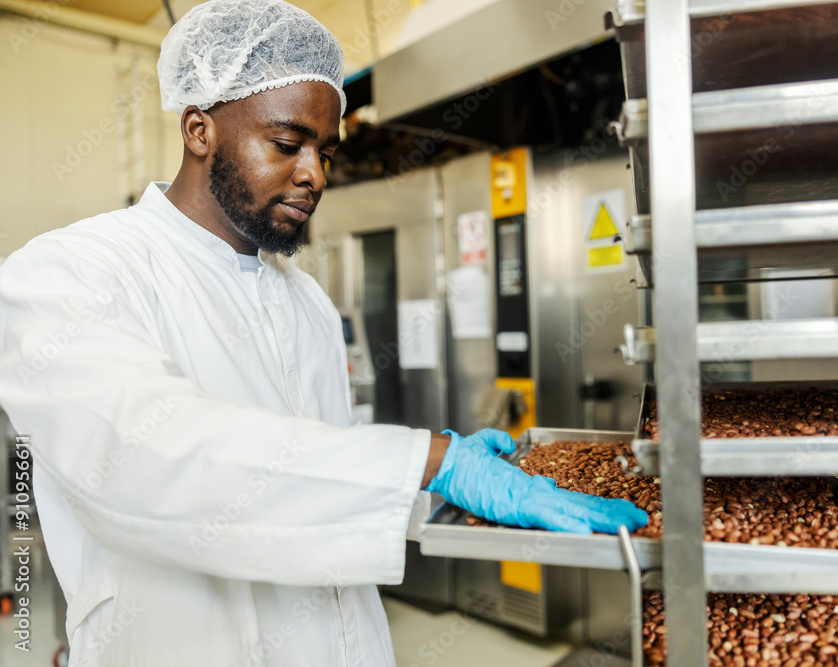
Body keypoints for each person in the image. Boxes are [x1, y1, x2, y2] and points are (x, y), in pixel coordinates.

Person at [0, 1, 647, 665]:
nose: (315, 174)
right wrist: (425, 461)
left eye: (326, 151)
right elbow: (149, 456)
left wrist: (428, 474)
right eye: (287, 144)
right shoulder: (69, 274)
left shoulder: (303, 298)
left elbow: (310, 467)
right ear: (199, 129)